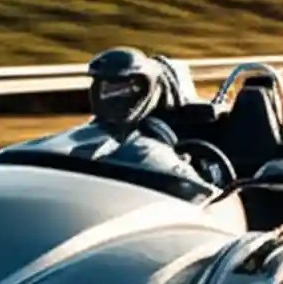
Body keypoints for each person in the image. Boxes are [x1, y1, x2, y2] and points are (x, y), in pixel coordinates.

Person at [85, 47, 211, 184]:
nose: (112, 96)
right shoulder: (88, 135)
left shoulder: (150, 149)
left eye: (123, 88)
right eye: (106, 88)